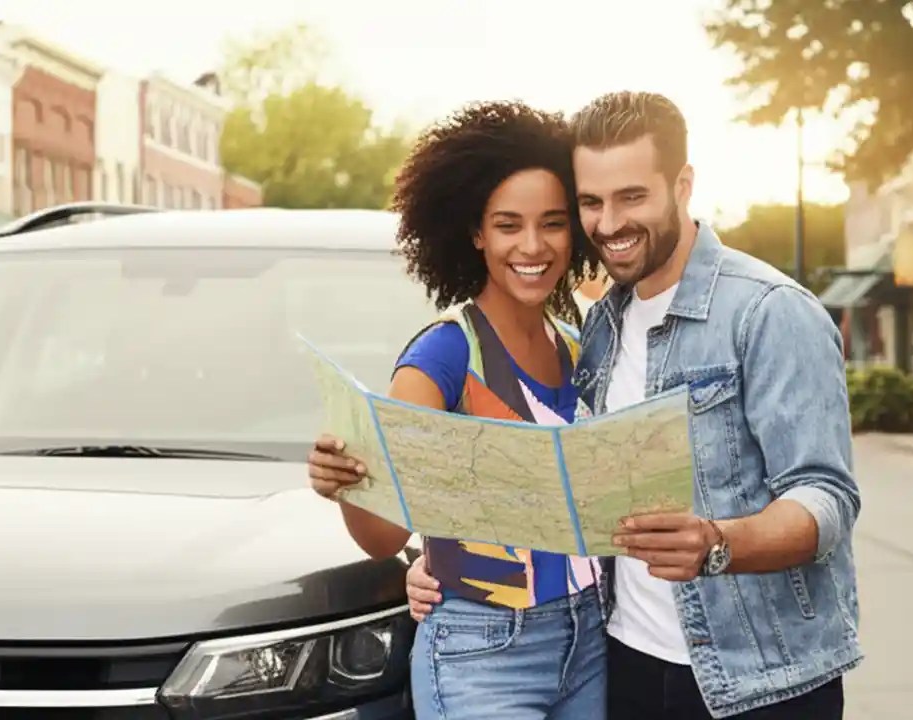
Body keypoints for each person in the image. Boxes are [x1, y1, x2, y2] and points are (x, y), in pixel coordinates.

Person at [349, 91, 864, 719]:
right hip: (623, 665)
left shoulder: (769, 311)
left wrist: (717, 542)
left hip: (759, 679)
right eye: (591, 203)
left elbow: (826, 498)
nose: (610, 223)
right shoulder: (599, 330)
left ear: (682, 186)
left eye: (631, 197)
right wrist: (442, 566)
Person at [305, 100, 607, 719]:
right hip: (484, 655)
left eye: (552, 223)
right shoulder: (444, 356)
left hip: (590, 643)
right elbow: (387, 533)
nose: (532, 246)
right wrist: (348, 486)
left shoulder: (580, 347)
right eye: (507, 224)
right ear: (474, 233)